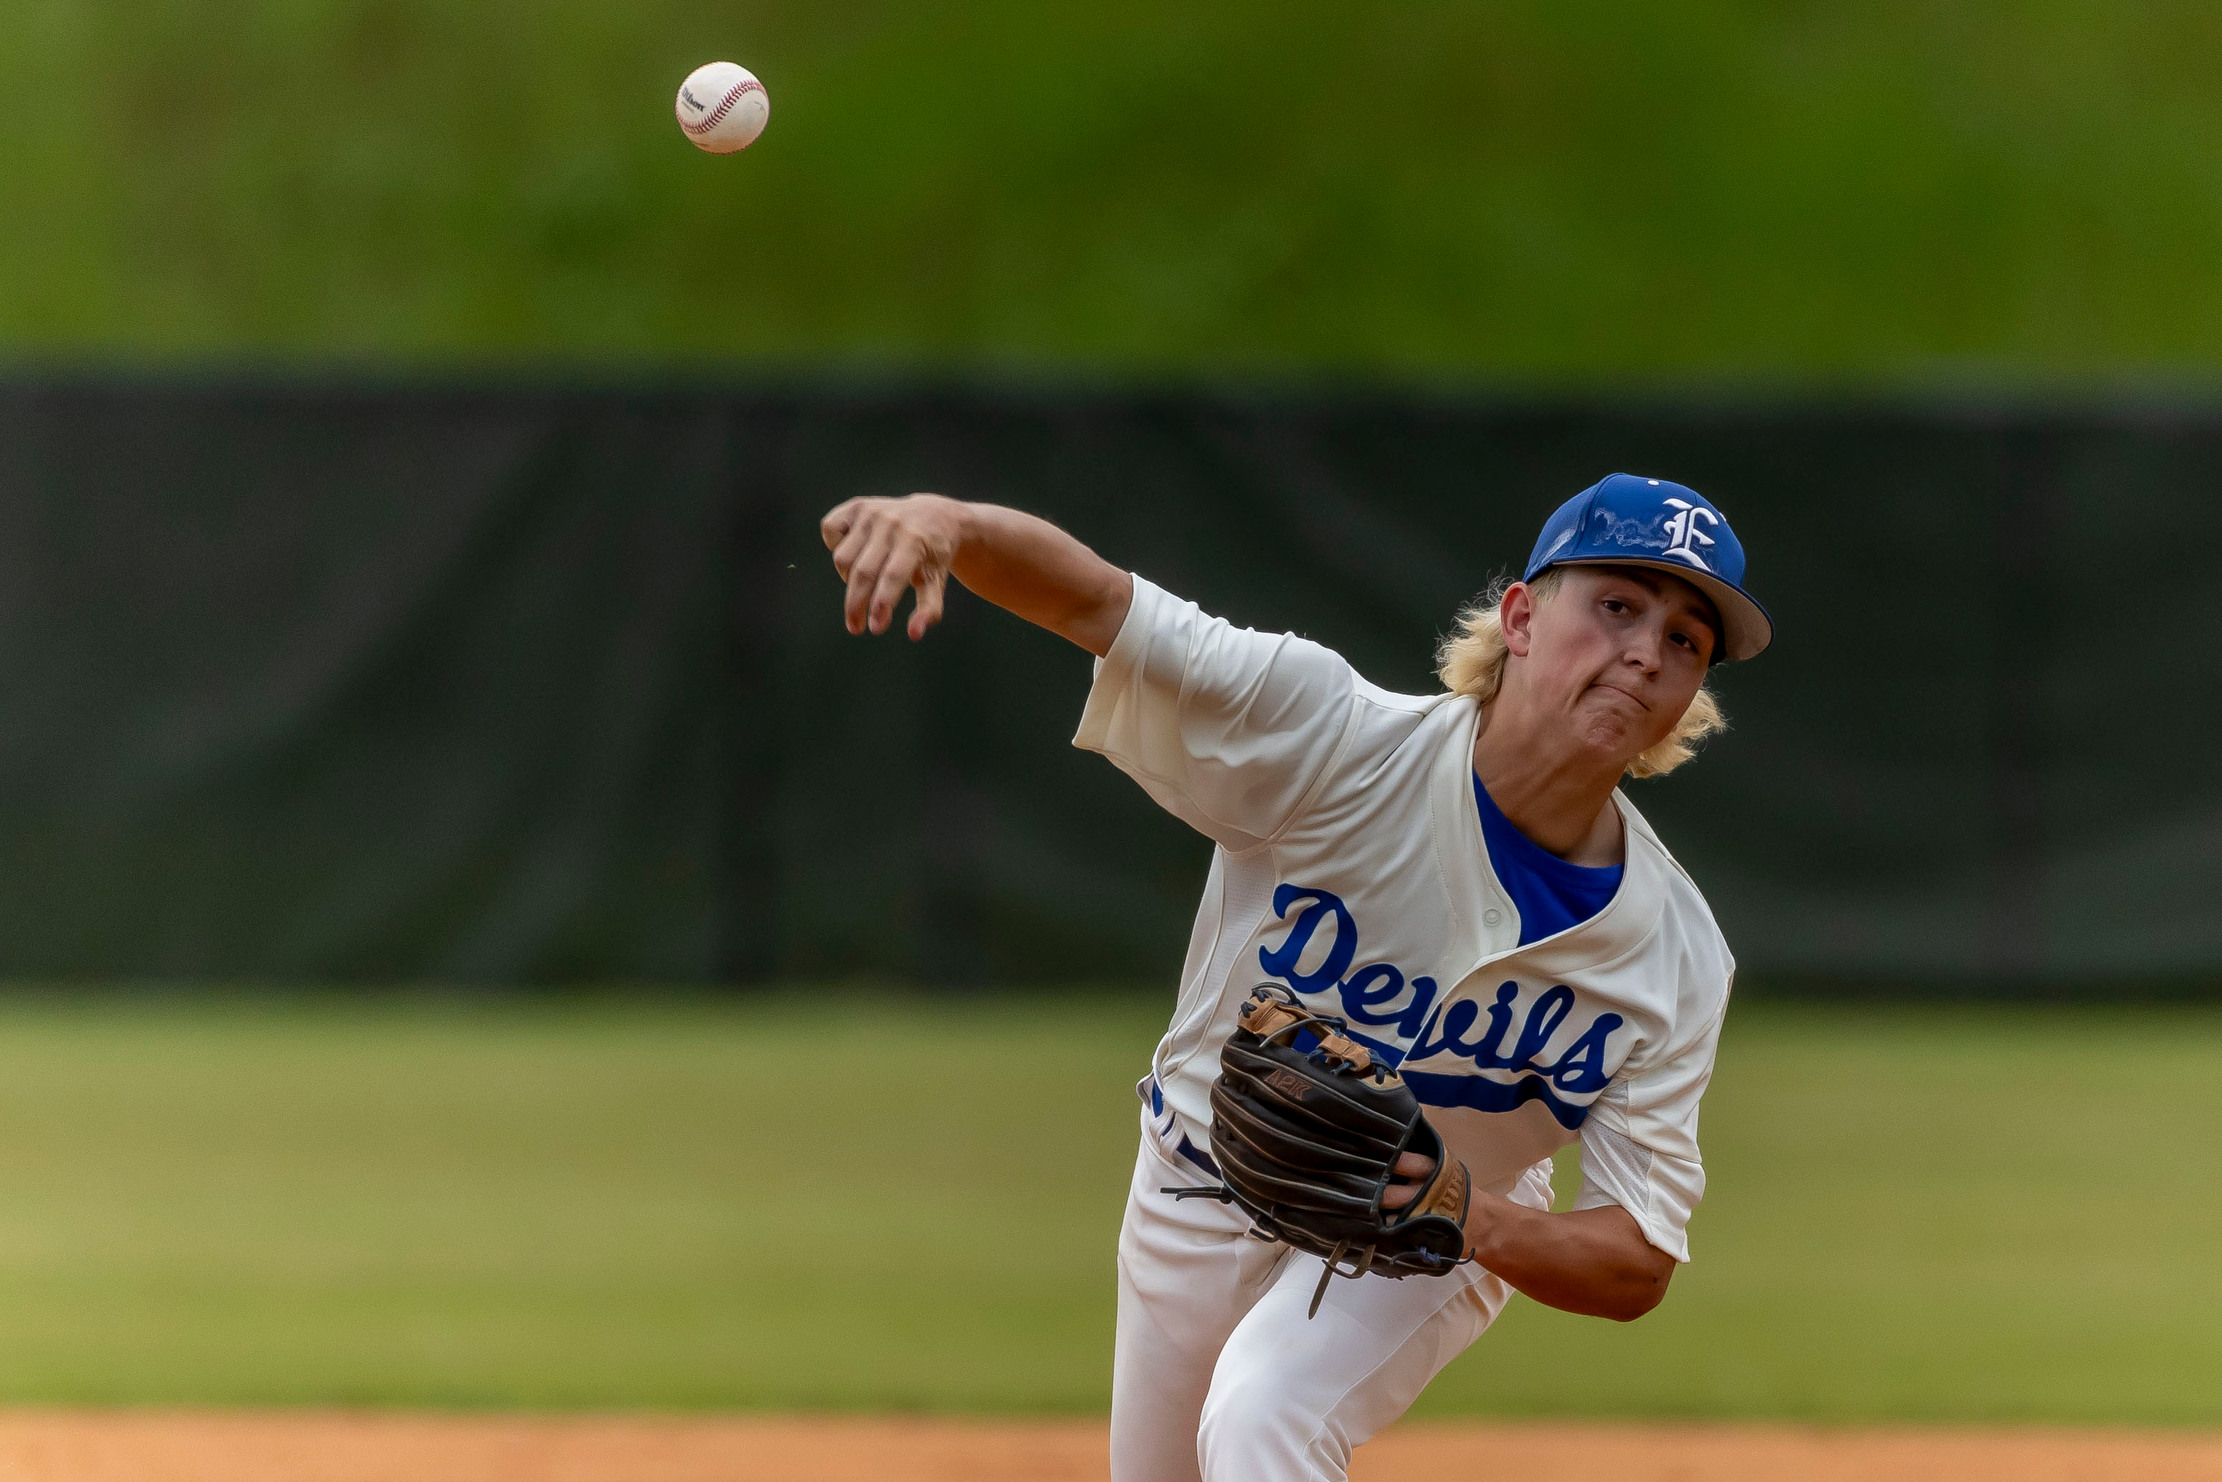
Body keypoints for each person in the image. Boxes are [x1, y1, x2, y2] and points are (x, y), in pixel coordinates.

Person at [819, 472, 1772, 1482]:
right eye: (1618, 607)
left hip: (1421, 1237)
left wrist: (1467, 1210)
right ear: (1521, 617)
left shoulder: (1671, 955)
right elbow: (1103, 606)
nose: (1643, 652)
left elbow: (1635, 1258)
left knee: (1262, 1416)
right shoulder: (1332, 737)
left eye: (1683, 641)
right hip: (1196, 1178)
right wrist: (951, 525)